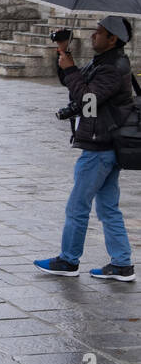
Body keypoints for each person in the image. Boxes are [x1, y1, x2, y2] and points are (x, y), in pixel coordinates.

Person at [36, 16, 135, 282]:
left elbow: (87, 101)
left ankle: (69, 260)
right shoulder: (105, 62)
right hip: (105, 144)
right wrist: (63, 54)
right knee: (107, 208)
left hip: (99, 149)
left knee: (77, 207)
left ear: (113, 39)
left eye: (99, 32)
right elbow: (77, 89)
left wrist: (70, 69)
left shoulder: (112, 67)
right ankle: (122, 264)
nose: (93, 35)